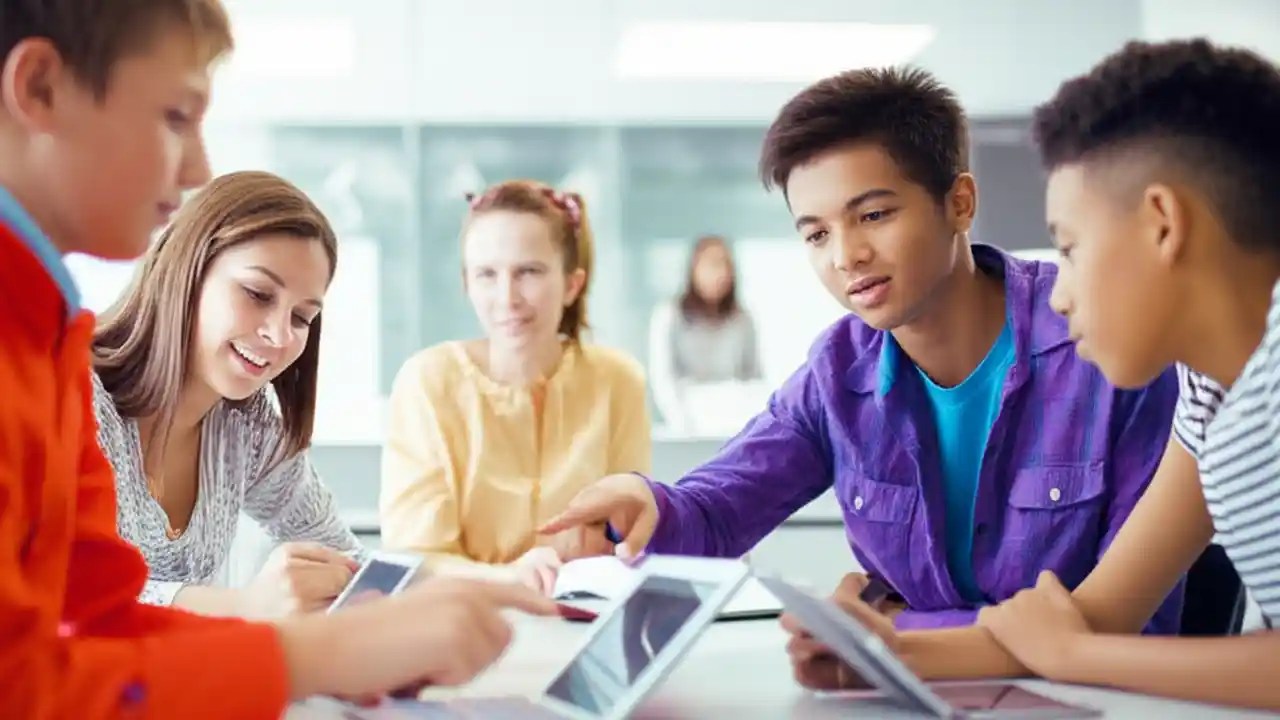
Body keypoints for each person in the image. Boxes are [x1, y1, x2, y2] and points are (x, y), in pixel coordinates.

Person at [0, 2, 552, 717]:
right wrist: (308, 648)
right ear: (40, 88)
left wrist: (434, 602)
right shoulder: (62, 368)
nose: (197, 164)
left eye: (303, 317)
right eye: (175, 116)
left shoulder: (50, 338)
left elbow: (99, 622)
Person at [542, 67, 1182, 631]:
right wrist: (647, 501)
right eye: (816, 233)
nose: (845, 256)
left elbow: (1135, 623)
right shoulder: (836, 374)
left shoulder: (1101, 347)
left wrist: (908, 629)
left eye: (873, 215)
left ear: (959, 203)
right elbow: (715, 511)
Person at [783, 39, 1280, 714]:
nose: (1061, 293)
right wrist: (887, 655)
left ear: (1163, 224)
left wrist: (1077, 656)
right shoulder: (1209, 398)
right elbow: (1102, 611)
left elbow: (1083, 642)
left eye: (1070, 247)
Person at [92, 170, 366, 619]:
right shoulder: (71, 398)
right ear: (187, 271)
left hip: (166, 685)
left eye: (301, 317)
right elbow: (59, 595)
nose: (279, 335)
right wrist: (243, 607)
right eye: (258, 294)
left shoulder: (248, 429)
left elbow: (343, 558)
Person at [380, 180, 651, 596]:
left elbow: (628, 534)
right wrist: (512, 576)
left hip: (584, 621)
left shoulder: (618, 381)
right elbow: (412, 560)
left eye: (528, 272)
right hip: (464, 626)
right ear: (467, 283)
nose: (507, 297)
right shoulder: (428, 382)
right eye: (486, 274)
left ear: (572, 284)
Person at [649, 234, 763, 433]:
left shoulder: (743, 318)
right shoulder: (670, 315)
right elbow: (663, 379)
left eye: (724, 265)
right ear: (693, 270)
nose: (719, 274)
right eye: (711, 265)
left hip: (735, 421)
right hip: (688, 421)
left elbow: (753, 377)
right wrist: (683, 425)